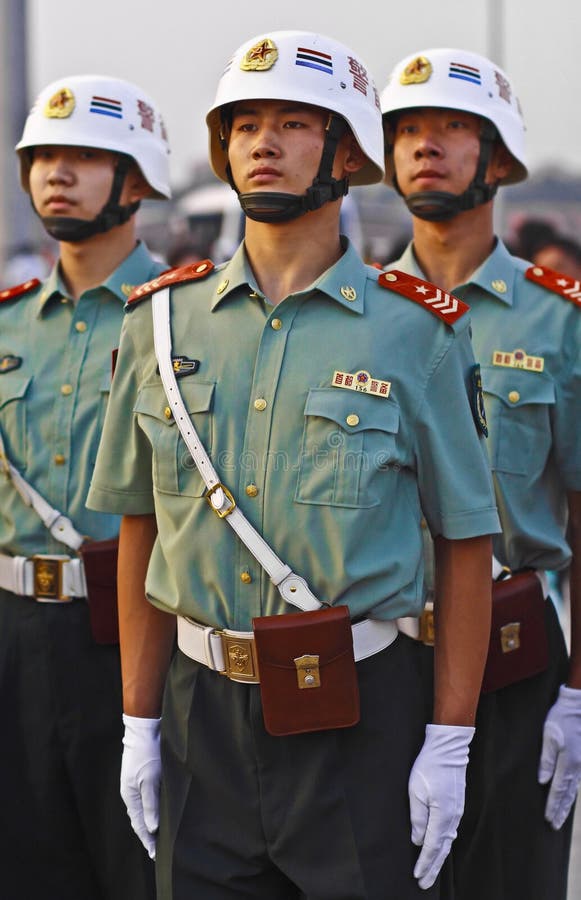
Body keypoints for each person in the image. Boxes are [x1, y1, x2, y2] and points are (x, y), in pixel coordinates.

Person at [87, 31, 500, 899]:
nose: (261, 143)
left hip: (357, 714)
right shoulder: (160, 325)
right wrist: (137, 723)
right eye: (241, 126)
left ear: (346, 153)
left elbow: (466, 544)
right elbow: (139, 529)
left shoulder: (415, 333)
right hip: (202, 718)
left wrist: (448, 742)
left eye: (291, 123)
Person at [380, 48, 581, 900]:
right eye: (408, 132)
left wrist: (576, 693)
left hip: (514, 660)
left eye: (452, 130)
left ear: (496, 160)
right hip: (380, 665)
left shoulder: (557, 318)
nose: (426, 147)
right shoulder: (352, 313)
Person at [0, 74, 171, 899]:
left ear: (136, 182)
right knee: (26, 863)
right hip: (12, 639)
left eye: (83, 158)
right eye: (43, 157)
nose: (56, 174)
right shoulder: (4, 322)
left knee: (139, 868)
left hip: (133, 638)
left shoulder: (183, 316)